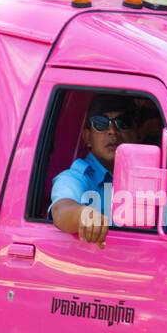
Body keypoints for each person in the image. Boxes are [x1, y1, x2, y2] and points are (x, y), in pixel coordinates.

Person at [49, 95, 135, 247]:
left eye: (123, 123)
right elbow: (60, 209)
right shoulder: (75, 177)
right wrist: (84, 214)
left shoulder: (152, 179)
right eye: (100, 124)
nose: (112, 131)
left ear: (136, 135)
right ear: (87, 137)